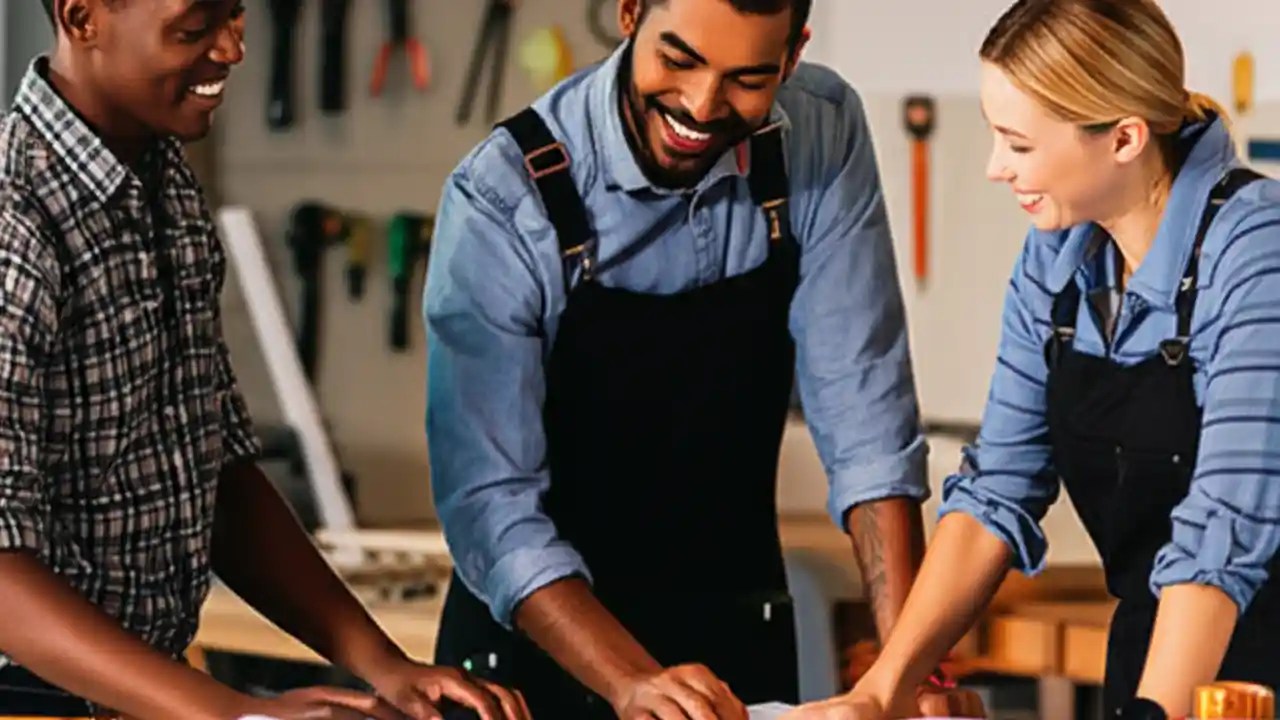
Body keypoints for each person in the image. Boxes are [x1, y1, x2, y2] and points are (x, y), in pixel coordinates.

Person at [424, 0, 983, 717]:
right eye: (678, 60)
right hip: (534, 660)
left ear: (792, 55)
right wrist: (632, 682)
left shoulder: (819, 130)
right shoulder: (503, 196)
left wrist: (912, 676)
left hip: (734, 635)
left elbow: (868, 427)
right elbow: (492, 507)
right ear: (629, 12)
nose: (700, 105)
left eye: (748, 79)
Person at [0, 1, 529, 718]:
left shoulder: (168, 185)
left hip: (137, 692)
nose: (232, 49)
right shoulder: (14, 221)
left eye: (235, 15)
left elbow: (216, 470)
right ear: (81, 17)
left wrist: (382, 666)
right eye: (193, 28)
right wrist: (238, 713)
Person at [781, 1, 1280, 718]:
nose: (995, 168)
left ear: (1125, 138)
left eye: (1018, 144)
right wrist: (879, 694)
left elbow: (1224, 526)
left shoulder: (1255, 248)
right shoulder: (1059, 258)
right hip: (1152, 667)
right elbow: (997, 493)